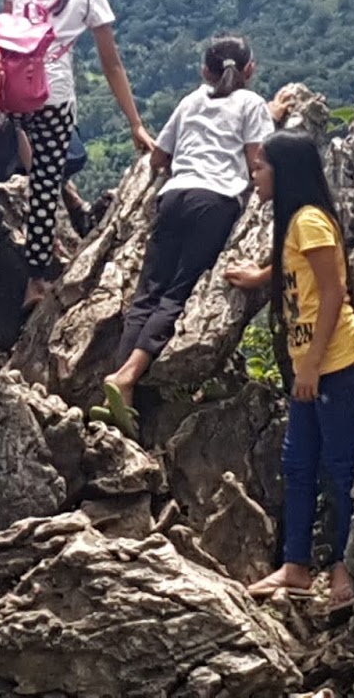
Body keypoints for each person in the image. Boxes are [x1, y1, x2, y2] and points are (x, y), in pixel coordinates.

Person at [225, 131, 354, 613]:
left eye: (262, 168)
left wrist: (309, 365)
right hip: (310, 366)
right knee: (298, 463)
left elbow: (332, 291)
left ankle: (344, 566)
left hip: (332, 363)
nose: (256, 174)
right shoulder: (296, 224)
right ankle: (296, 567)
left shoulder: (309, 220)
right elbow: (299, 269)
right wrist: (261, 276)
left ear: (284, 173)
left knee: (340, 464)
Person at [95, 36, 273, 435]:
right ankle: (128, 377)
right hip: (215, 203)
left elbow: (159, 158)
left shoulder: (191, 101)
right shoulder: (253, 104)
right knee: (177, 294)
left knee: (148, 293)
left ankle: (124, 388)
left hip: (173, 197)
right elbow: (256, 161)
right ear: (250, 70)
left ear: (203, 72)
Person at [0, 0, 153, 308]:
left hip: (8, 90)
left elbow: (4, 30)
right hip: (53, 96)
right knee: (47, 183)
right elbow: (111, 64)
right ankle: (36, 279)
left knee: (19, 154)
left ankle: (32, 241)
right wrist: (135, 123)